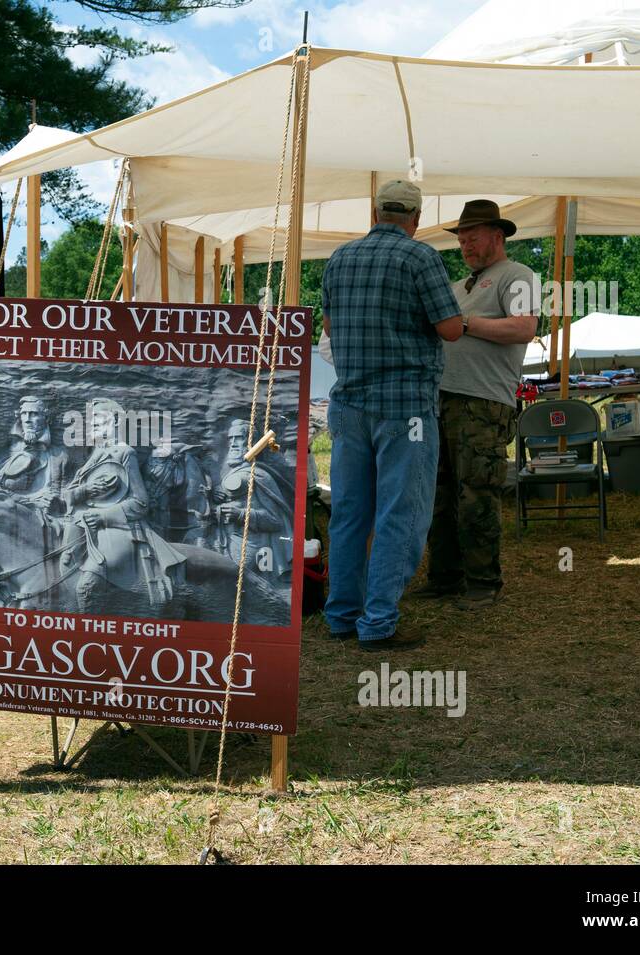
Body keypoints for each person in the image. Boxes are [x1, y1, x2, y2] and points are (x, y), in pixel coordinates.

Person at [322, 179, 463, 652]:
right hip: (405, 409)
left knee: (348, 514)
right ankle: (379, 622)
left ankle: (341, 615)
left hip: (349, 405)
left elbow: (328, 324)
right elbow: (450, 329)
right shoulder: (421, 258)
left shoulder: (340, 257)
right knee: (400, 515)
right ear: (416, 219)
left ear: (374, 212)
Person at [417, 200, 539, 610]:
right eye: (462, 239)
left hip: (483, 403)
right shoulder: (458, 287)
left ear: (497, 236)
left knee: (477, 493)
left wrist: (465, 323)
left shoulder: (518, 276)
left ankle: (484, 582)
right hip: (443, 400)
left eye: (472, 237)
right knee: (441, 493)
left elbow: (524, 327)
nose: (465, 244)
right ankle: (445, 576)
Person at [60, 398, 184, 614]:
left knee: (86, 587)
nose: (93, 424)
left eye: (98, 419)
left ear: (115, 421)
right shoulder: (95, 455)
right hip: (82, 527)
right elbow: (69, 493)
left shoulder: (125, 453)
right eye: (91, 420)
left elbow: (140, 503)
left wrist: (103, 517)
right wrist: (86, 491)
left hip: (118, 530)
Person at [211, 419, 293, 581]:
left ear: (252, 443)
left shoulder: (259, 476)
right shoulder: (235, 473)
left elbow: (275, 520)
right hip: (223, 540)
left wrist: (240, 514)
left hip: (248, 547)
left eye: (239, 439)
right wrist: (216, 495)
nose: (233, 444)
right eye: (230, 439)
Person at [0, 395, 71, 514]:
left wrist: (56, 501)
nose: (27, 419)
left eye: (34, 414)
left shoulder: (60, 456)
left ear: (46, 418)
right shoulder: (5, 453)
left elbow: (66, 496)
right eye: (24, 414)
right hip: (9, 514)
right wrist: (32, 501)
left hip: (47, 518)